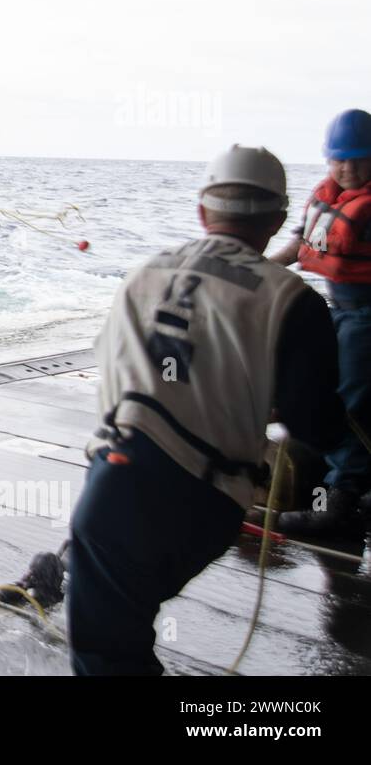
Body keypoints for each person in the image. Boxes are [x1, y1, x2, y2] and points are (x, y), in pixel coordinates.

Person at [68, 145, 348, 675]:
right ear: (278, 220)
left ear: (202, 211)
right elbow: (316, 425)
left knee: (107, 653)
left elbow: (115, 365)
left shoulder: (143, 272)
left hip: (121, 487)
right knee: (125, 637)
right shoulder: (292, 299)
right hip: (211, 506)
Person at [267, 109, 371, 536]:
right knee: (310, 378)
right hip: (338, 310)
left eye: (360, 159)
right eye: (339, 160)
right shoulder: (329, 198)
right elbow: (300, 243)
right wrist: (252, 268)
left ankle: (339, 502)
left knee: (349, 402)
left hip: (365, 317)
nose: (348, 168)